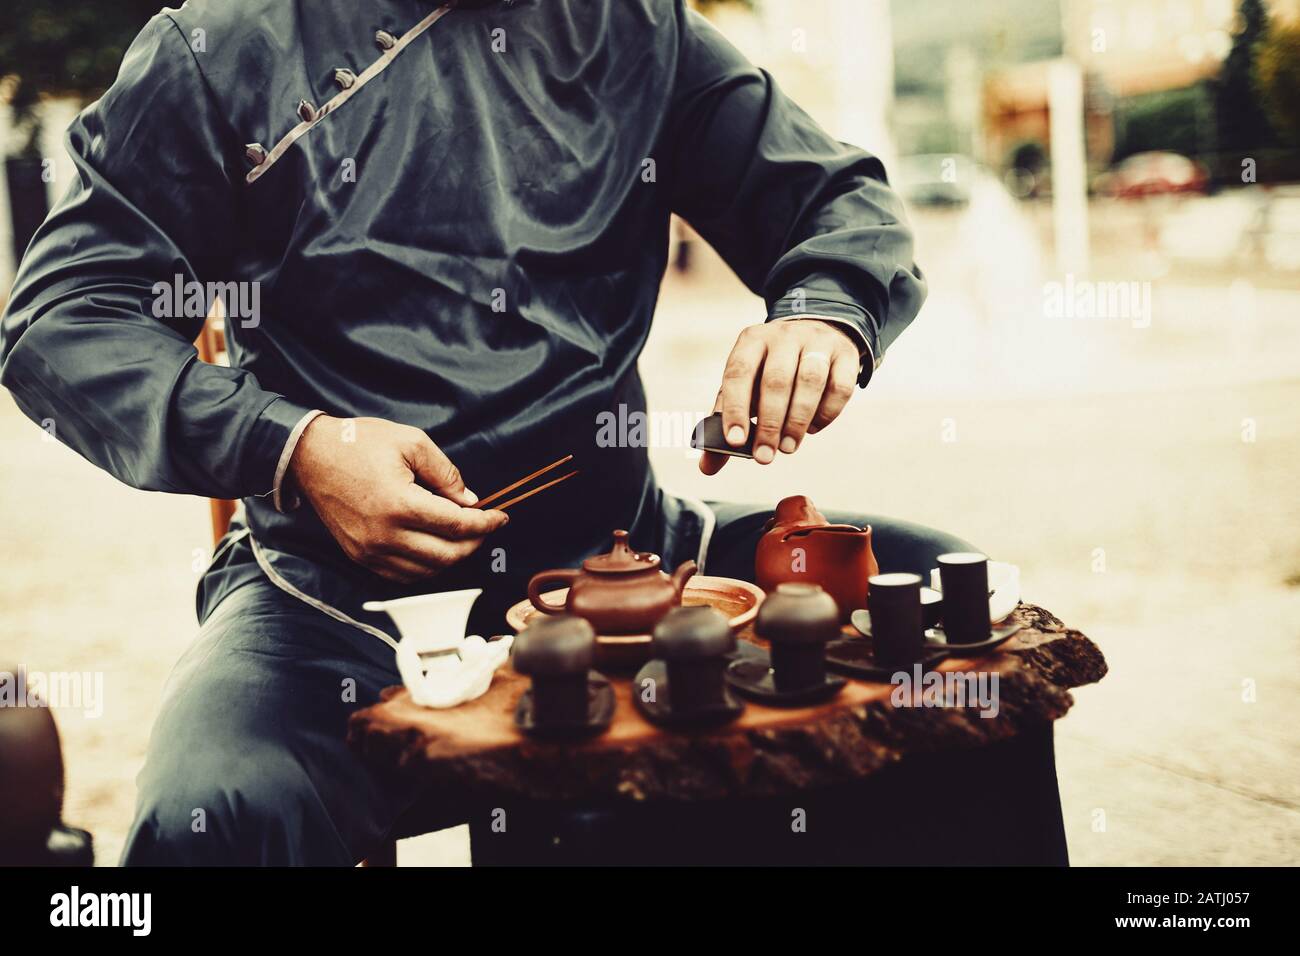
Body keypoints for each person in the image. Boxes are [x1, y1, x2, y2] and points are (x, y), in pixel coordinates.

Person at [0, 0, 970, 864]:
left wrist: (821, 308)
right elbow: (65, 317)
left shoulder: (636, 27)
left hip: (626, 563)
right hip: (331, 605)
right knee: (218, 805)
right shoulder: (219, 45)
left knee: (951, 627)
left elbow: (833, 201)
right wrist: (288, 445)